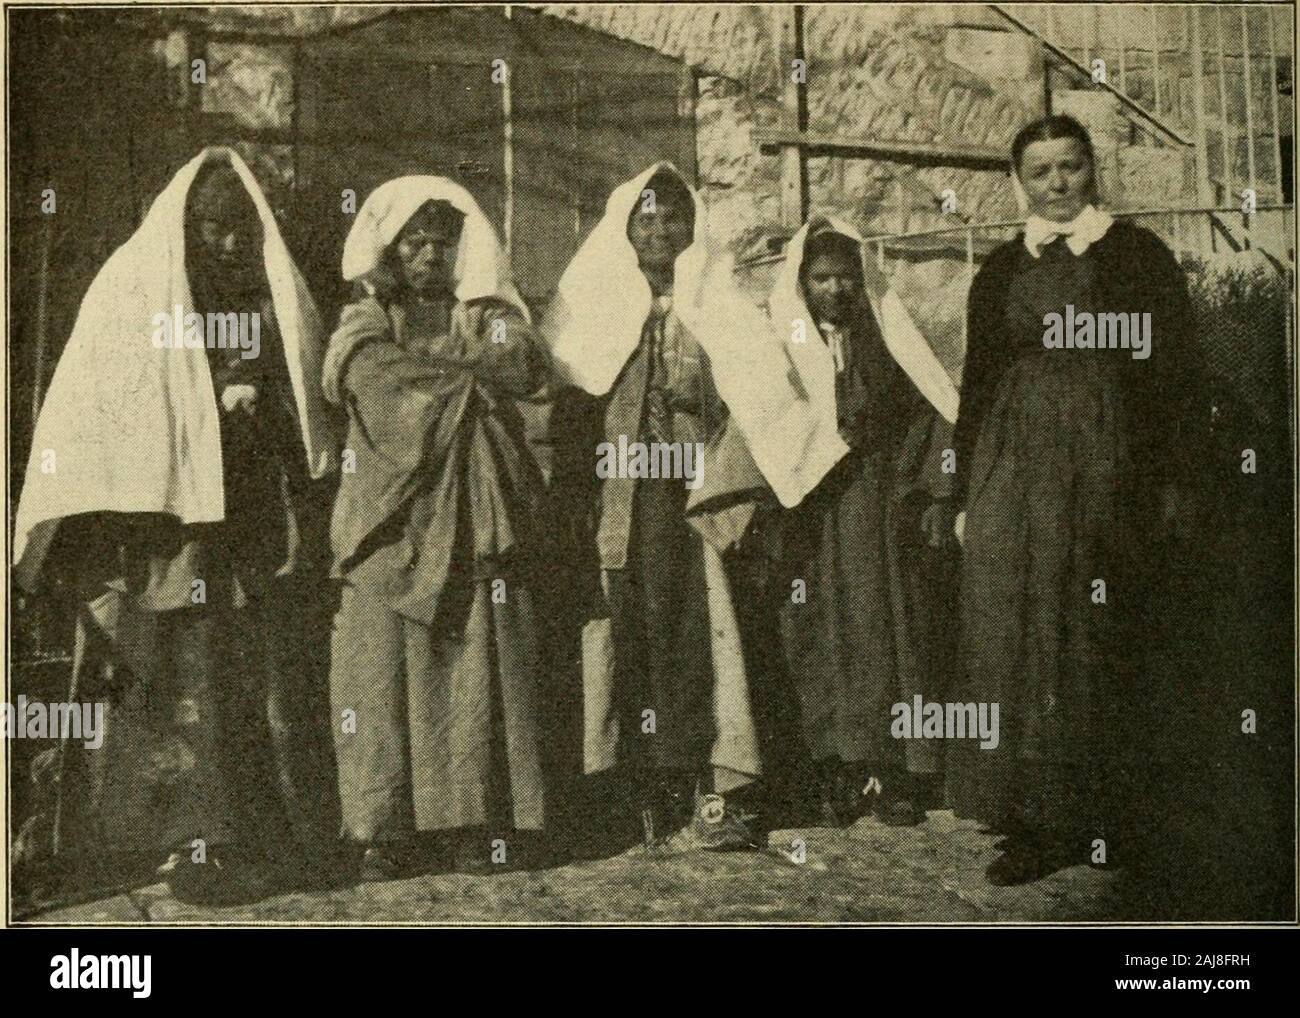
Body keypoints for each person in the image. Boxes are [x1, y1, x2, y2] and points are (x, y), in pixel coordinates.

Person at [12, 148, 337, 905]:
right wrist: (186, 426)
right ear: (185, 228)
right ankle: (129, 838)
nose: (228, 243)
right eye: (213, 228)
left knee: (230, 682)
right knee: (151, 680)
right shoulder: (134, 289)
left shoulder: (270, 304)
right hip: (156, 534)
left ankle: (224, 840)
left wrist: (255, 397)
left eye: (242, 228)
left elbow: (312, 406)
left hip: (244, 526)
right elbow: (102, 405)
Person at [947, 115, 1208, 884]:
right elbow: (978, 380)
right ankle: (1031, 820)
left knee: (1095, 627)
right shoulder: (1000, 267)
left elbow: (1176, 373)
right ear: (1019, 183)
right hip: (1014, 466)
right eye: (1041, 172)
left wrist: (1174, 478)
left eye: (1071, 167)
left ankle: (1110, 815)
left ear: (1093, 171)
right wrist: (963, 486)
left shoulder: (1135, 255)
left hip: (1108, 462)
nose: (1058, 185)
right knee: (1013, 629)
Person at [542, 164, 773, 849]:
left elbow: (755, 393)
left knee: (694, 634)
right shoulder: (591, 304)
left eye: (673, 217)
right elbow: (567, 401)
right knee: (618, 633)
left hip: (688, 500)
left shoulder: (718, 302)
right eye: (646, 218)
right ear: (624, 228)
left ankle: (700, 788)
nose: (660, 229)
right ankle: (623, 790)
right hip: (617, 499)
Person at [324, 177, 549, 878]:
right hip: (392, 520)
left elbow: (522, 364)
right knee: (380, 672)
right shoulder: (366, 318)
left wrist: (457, 363)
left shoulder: (485, 314)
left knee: (472, 668)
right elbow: (370, 380)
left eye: (441, 241)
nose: (427, 255)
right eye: (413, 241)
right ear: (389, 250)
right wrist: (464, 377)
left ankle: (473, 822)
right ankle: (381, 830)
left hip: (475, 516)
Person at [758, 217, 960, 826]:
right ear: (801, 282)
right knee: (817, 633)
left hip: (876, 506)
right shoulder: (782, 341)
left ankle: (898, 773)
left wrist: (923, 490)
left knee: (892, 635)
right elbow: (761, 417)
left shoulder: (885, 339)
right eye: (820, 278)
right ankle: (835, 773)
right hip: (811, 511)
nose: (835, 290)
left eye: (846, 277)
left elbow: (931, 406)